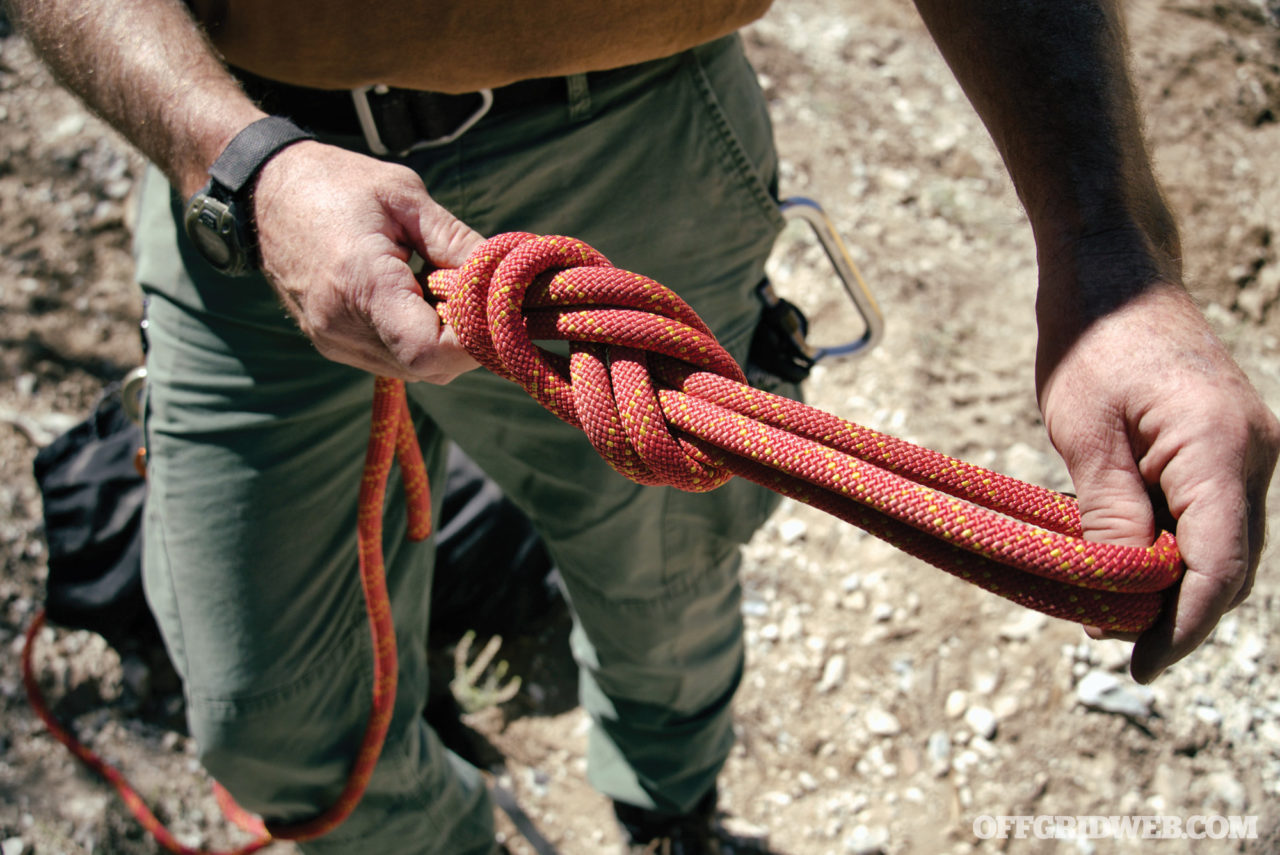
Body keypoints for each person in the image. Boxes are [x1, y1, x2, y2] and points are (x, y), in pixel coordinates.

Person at [12, 1, 1279, 853]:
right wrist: (238, 159)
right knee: (261, 715)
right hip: (246, 165)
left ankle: (666, 809)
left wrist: (1113, 257)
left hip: (634, 136)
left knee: (662, 574)